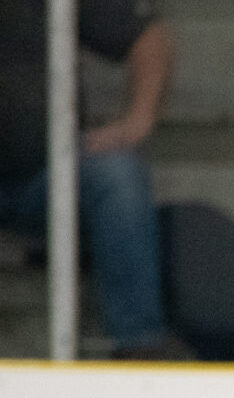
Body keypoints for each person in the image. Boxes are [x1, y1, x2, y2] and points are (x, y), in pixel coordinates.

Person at [0, 0, 182, 358]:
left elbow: (148, 37)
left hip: (42, 176)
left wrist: (138, 119)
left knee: (116, 174)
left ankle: (139, 348)